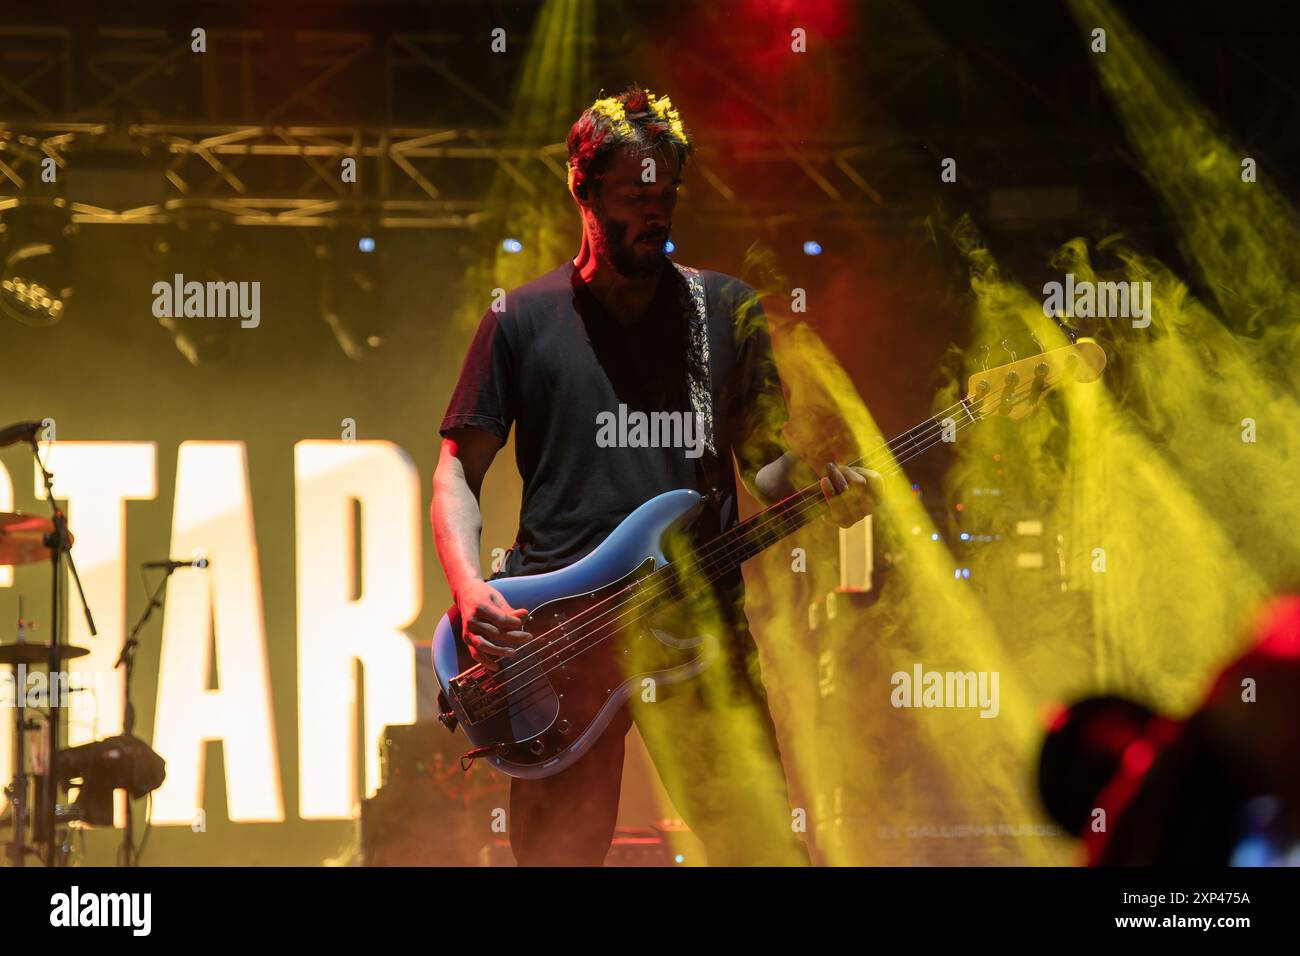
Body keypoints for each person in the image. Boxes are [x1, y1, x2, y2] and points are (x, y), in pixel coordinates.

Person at [432, 85, 878, 865]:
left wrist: (821, 491)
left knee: (764, 852)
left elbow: (766, 461)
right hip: (561, 642)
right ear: (583, 188)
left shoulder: (725, 313)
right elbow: (455, 474)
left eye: (667, 194)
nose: (658, 214)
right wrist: (471, 592)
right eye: (637, 196)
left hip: (698, 633)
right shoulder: (521, 319)